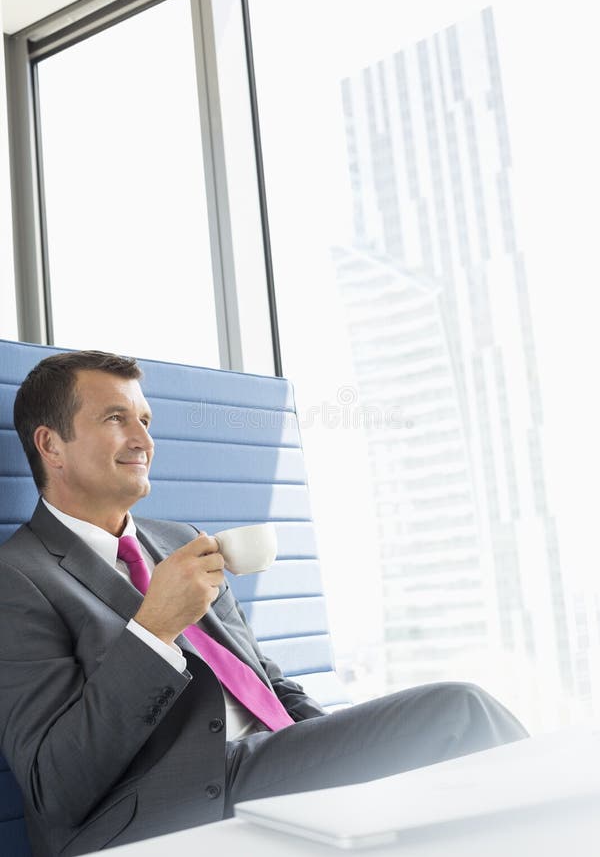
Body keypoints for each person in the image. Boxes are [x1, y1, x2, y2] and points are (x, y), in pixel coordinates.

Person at [0, 350, 527, 857]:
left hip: (268, 764)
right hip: (164, 806)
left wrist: (335, 747)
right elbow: (55, 785)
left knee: (447, 793)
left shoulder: (178, 540)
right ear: (51, 446)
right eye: (117, 418)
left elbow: (263, 680)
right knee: (459, 712)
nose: (143, 439)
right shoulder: (17, 578)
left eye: (145, 420)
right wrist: (153, 628)